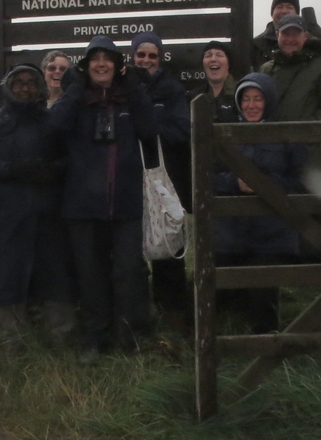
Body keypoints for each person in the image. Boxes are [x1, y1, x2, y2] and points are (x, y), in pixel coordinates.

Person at [50, 35, 157, 362]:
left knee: (128, 274)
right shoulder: (77, 100)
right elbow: (54, 126)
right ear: (86, 66)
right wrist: (75, 87)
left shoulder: (129, 100)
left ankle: (131, 339)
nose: (100, 64)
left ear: (117, 65)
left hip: (125, 205)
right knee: (90, 275)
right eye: (94, 59)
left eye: (107, 59)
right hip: (83, 206)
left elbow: (150, 129)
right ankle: (94, 340)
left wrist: (134, 86)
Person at [0, 64, 74, 337]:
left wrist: (51, 170)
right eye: (18, 83)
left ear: (40, 87)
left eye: (30, 83)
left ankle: (60, 335)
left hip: (49, 211)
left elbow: (70, 157)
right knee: (7, 274)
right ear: (8, 87)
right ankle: (15, 340)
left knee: (55, 274)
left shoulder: (52, 122)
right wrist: (9, 170)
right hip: (7, 213)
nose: (24, 88)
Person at [214, 73, 305, 333]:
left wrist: (265, 184)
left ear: (270, 102)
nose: (251, 105)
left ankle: (266, 345)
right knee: (217, 295)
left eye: (258, 99)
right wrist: (235, 183)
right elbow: (207, 178)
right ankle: (217, 345)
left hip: (271, 235)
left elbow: (299, 183)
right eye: (246, 99)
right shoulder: (224, 134)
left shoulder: (286, 136)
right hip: (230, 234)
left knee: (263, 300)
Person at [260, 13, 321, 262]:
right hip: (275, 159)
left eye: (295, 34)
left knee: (313, 219)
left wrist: (304, 135)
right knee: (275, 213)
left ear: (305, 36)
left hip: (310, 158)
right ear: (277, 36)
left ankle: (311, 278)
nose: (289, 39)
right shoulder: (267, 69)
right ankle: (280, 274)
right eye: (285, 33)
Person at [130, 31, 190, 316]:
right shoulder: (123, 86)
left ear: (160, 58)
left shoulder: (173, 89)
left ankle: (173, 311)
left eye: (152, 55)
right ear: (133, 57)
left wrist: (149, 125)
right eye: (141, 54)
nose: (146, 60)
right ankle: (140, 310)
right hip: (129, 176)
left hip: (165, 178)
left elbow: (181, 131)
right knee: (133, 246)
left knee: (167, 241)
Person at [188, 40, 239, 124]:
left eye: (219, 55)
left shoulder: (241, 93)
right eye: (208, 55)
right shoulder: (194, 96)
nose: (213, 59)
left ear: (228, 64)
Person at [251, 0, 301, 69]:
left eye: (289, 7)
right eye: (279, 7)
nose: (284, 11)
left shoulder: (308, 42)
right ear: (272, 13)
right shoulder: (257, 45)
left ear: (297, 14)